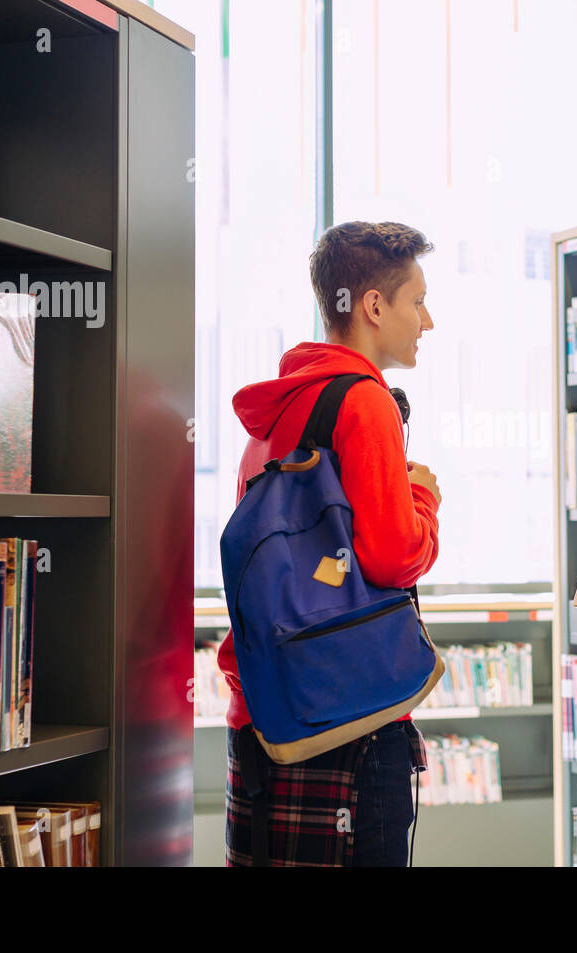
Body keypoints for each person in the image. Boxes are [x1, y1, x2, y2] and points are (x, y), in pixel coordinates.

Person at [216, 220, 441, 866]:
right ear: (374, 306)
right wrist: (420, 493)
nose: (427, 321)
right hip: (351, 723)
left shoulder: (278, 410)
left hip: (265, 717)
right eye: (417, 301)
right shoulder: (364, 401)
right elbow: (393, 557)